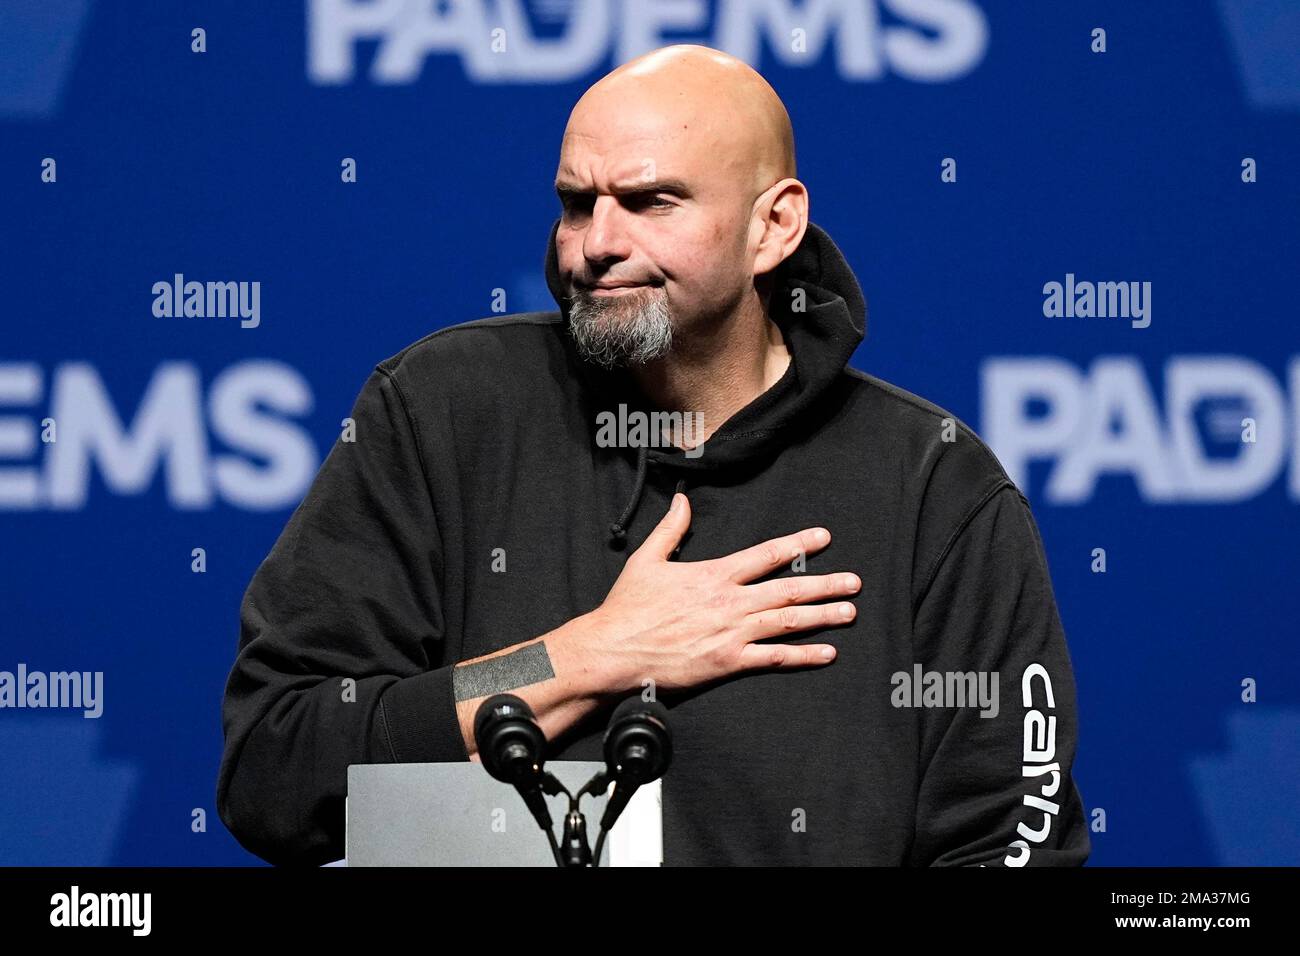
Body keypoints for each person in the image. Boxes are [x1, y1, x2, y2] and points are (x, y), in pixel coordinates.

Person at [217, 44, 1090, 867]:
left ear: (774, 227)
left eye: (650, 201)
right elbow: (275, 764)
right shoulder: (444, 411)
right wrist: (586, 655)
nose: (596, 243)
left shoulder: (932, 486)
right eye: (575, 202)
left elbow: (1013, 843)